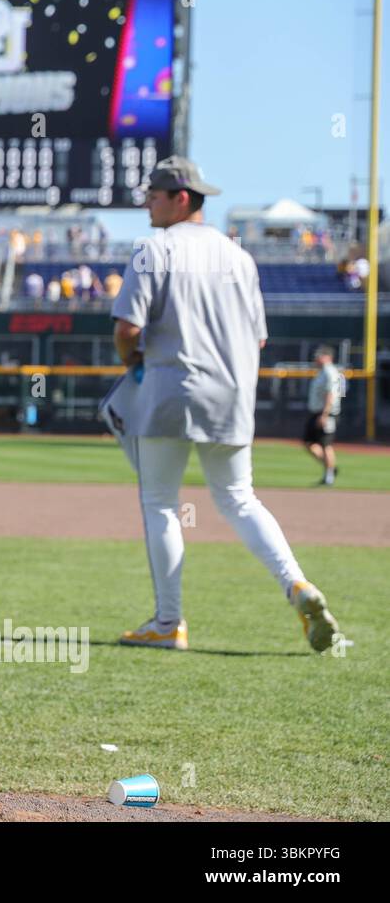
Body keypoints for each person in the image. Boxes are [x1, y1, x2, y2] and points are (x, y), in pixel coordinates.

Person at [111, 156, 340, 653]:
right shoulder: (239, 257)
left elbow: (126, 331)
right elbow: (257, 341)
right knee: (239, 499)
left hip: (171, 388)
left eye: (154, 193)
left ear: (182, 198)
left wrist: (134, 361)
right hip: (233, 396)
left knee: (160, 505)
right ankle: (296, 584)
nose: (148, 201)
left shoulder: (154, 249)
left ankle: (169, 622)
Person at [303, 345, 344, 486]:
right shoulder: (322, 372)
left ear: (328, 357)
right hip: (317, 412)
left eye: (319, 355)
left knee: (326, 444)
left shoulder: (330, 372)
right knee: (309, 443)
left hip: (326, 413)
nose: (316, 358)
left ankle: (329, 476)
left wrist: (325, 414)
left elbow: (331, 394)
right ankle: (331, 467)